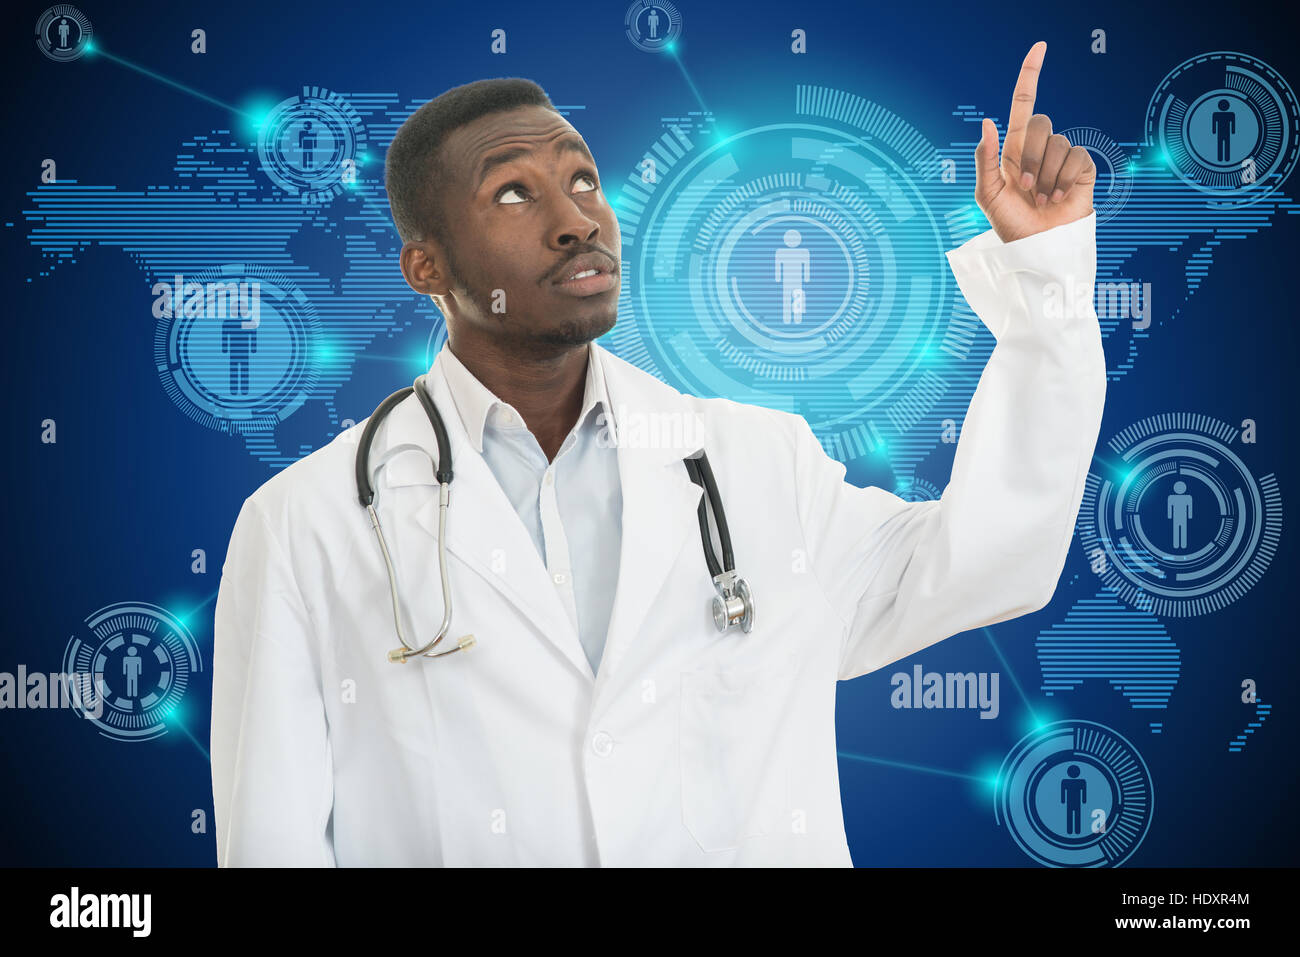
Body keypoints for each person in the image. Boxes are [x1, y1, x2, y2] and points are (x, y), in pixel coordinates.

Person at [210, 41, 1106, 866]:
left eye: (584, 180)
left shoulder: (758, 464)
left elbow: (995, 559)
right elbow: (271, 843)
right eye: (513, 193)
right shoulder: (307, 523)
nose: (576, 221)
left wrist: (1047, 276)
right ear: (427, 268)